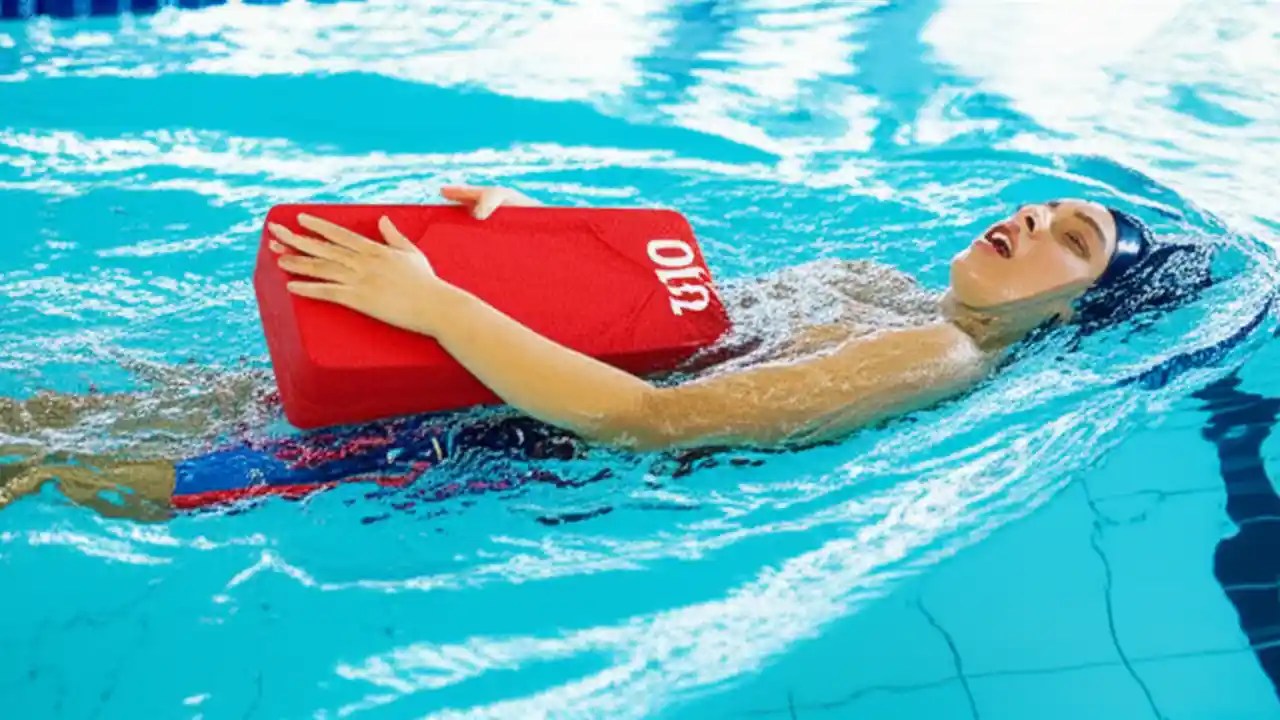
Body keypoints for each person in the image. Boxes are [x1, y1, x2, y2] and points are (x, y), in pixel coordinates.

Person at [0, 185, 1186, 518]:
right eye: (1040, 206)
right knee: (66, 415)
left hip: (480, 443)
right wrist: (532, 242)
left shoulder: (938, 356)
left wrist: (439, 309)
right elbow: (658, 325)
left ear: (1072, 311)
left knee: (70, 478)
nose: (1031, 221)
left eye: (1069, 239)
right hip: (472, 372)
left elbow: (648, 419)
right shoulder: (866, 283)